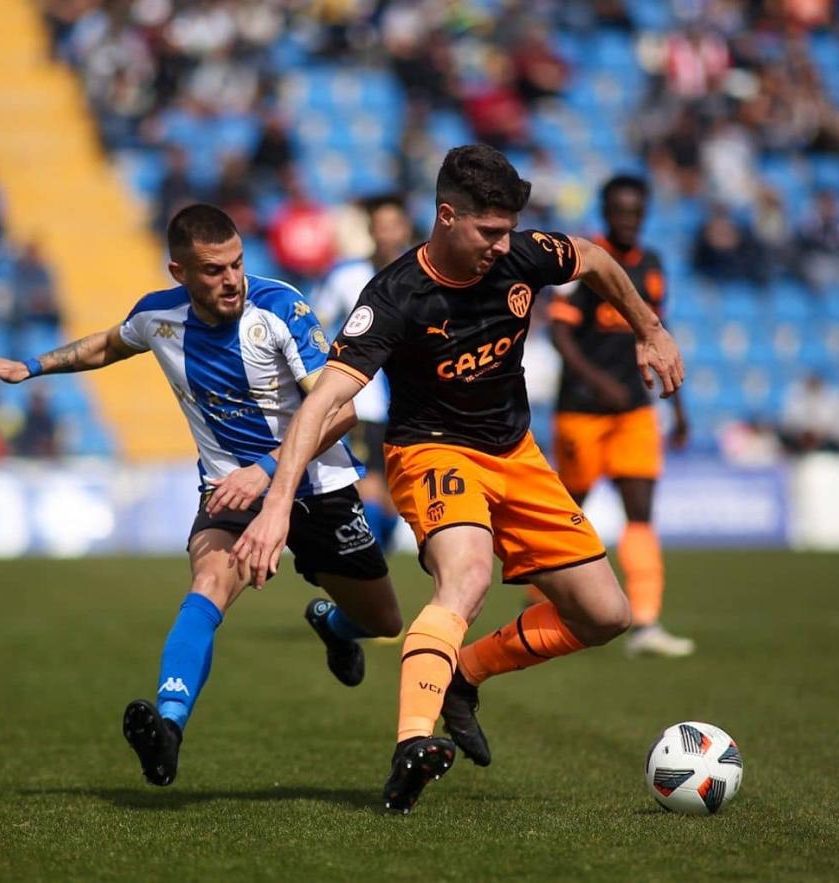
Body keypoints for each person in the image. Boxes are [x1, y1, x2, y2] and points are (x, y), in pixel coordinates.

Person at [232, 145, 684, 813]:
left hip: (515, 452)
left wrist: (651, 329)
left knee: (605, 615)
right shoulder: (395, 295)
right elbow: (326, 398)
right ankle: (411, 742)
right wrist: (275, 504)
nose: (505, 247)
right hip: (431, 452)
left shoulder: (522, 255)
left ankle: (465, 675)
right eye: (490, 232)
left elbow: (593, 259)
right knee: (465, 577)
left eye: (510, 231)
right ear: (447, 216)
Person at [0, 204, 402, 788]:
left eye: (237, 264)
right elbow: (108, 345)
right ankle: (168, 730)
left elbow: (340, 409)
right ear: (179, 272)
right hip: (229, 488)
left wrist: (267, 468)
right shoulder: (159, 317)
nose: (231, 280)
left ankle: (331, 623)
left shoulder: (280, 308)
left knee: (380, 619)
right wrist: (30, 367)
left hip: (317, 486)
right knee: (208, 585)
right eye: (213, 270)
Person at [546, 174, 694, 658]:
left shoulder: (651, 264)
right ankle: (545, 597)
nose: (628, 220)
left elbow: (657, 327)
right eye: (620, 212)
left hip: (634, 408)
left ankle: (646, 621)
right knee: (569, 511)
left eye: (636, 212)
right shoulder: (584, 261)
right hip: (582, 411)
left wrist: (679, 402)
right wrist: (596, 381)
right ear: (605, 212)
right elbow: (561, 335)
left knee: (641, 513)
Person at [310, 194, 417, 551]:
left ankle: (379, 558)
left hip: (413, 398)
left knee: (394, 494)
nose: (387, 233)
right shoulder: (345, 276)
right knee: (369, 482)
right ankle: (370, 564)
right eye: (380, 226)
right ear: (371, 230)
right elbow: (316, 324)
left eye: (394, 225)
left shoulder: (423, 273)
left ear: (405, 228)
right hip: (365, 401)